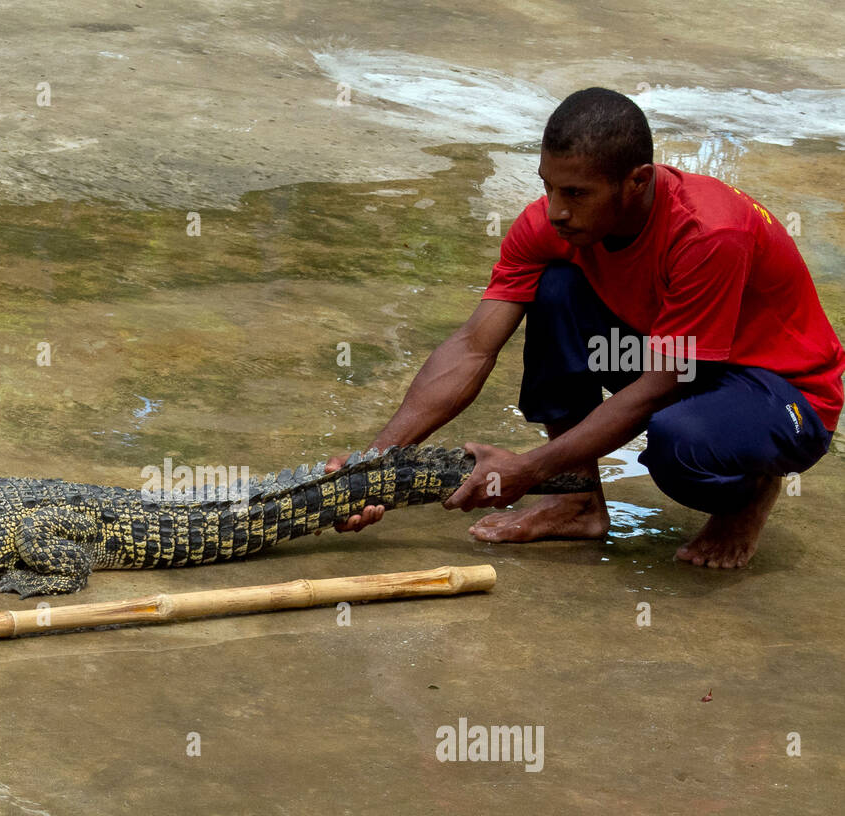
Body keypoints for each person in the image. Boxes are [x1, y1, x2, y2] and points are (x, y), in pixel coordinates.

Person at [327, 87, 842, 568]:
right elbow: (472, 345)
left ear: (638, 180)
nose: (556, 211)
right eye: (547, 186)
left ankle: (748, 495)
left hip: (781, 394)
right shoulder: (549, 223)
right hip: (679, 362)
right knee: (554, 290)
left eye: (575, 192)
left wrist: (529, 469)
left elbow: (662, 388)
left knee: (678, 442)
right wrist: (372, 466)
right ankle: (576, 502)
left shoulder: (708, 233)